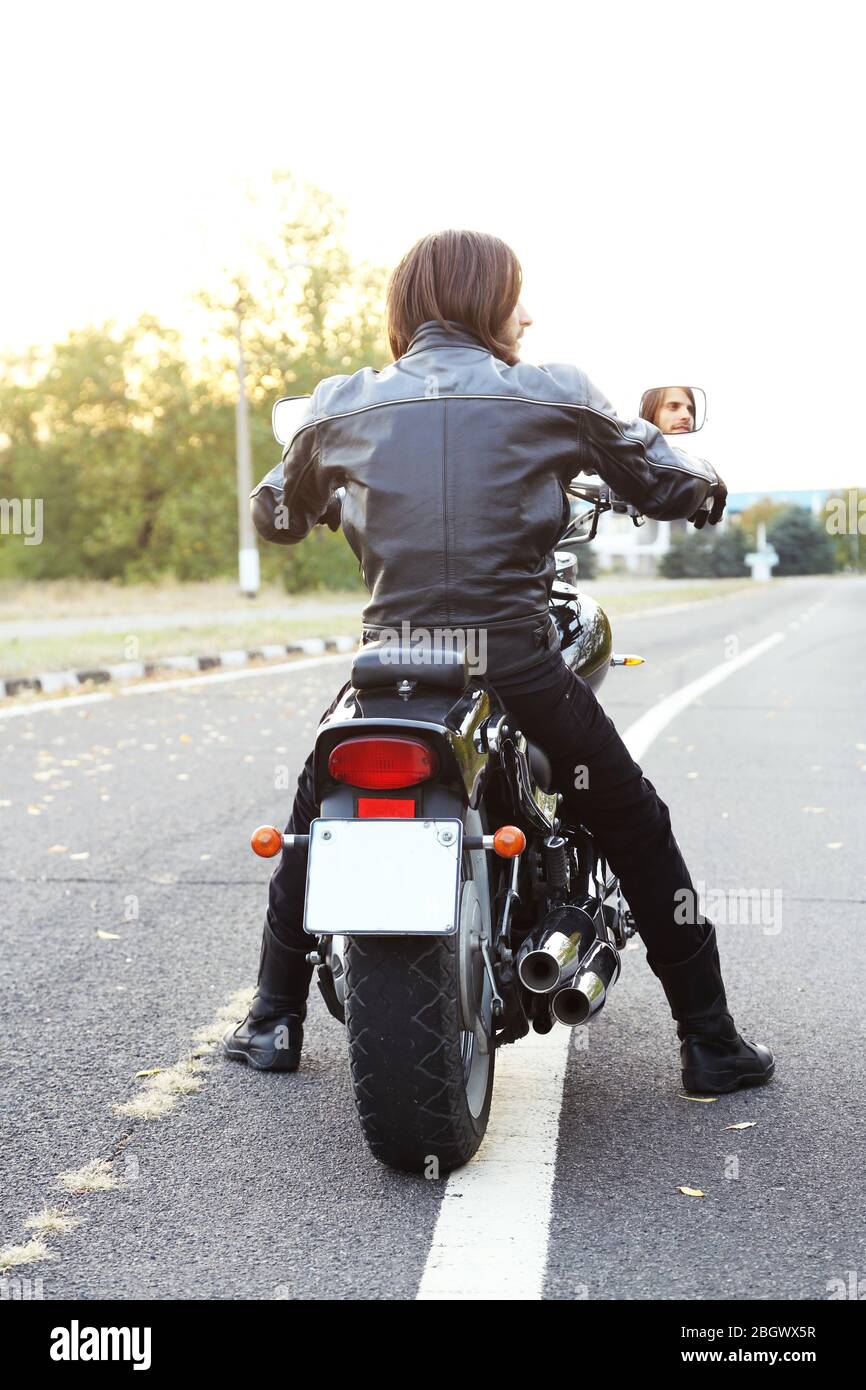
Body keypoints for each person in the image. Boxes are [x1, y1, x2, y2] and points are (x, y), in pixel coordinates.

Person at [223, 229, 774, 1097]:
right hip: (515, 663)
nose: (529, 314)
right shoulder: (554, 392)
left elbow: (274, 517)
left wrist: (327, 499)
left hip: (391, 670)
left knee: (313, 820)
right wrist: (704, 479)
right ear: (488, 303)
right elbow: (661, 480)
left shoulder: (341, 404)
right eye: (518, 296)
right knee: (633, 821)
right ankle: (710, 1043)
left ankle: (272, 1021)